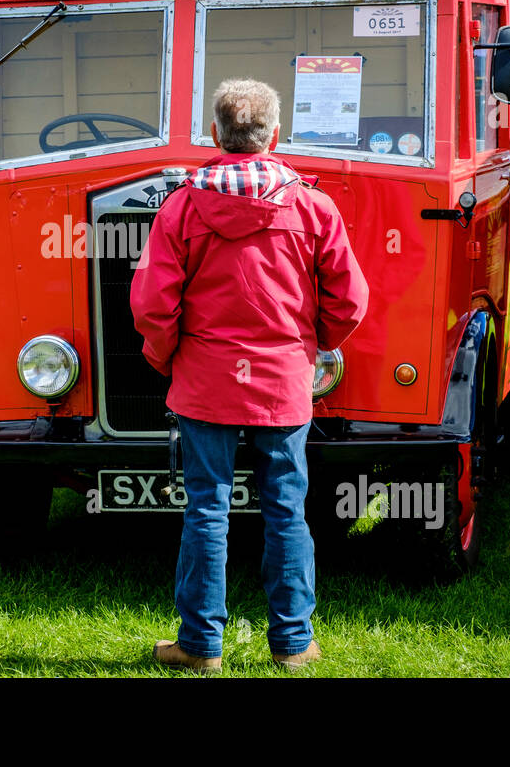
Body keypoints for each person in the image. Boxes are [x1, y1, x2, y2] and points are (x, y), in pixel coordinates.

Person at [130, 77, 369, 673]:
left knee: (205, 510)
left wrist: (167, 359)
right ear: (275, 135)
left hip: (205, 381)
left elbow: (152, 305)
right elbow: (350, 300)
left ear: (215, 133)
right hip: (283, 383)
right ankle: (292, 644)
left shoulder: (181, 206)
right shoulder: (313, 206)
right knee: (287, 509)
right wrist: (311, 349)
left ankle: (198, 645)